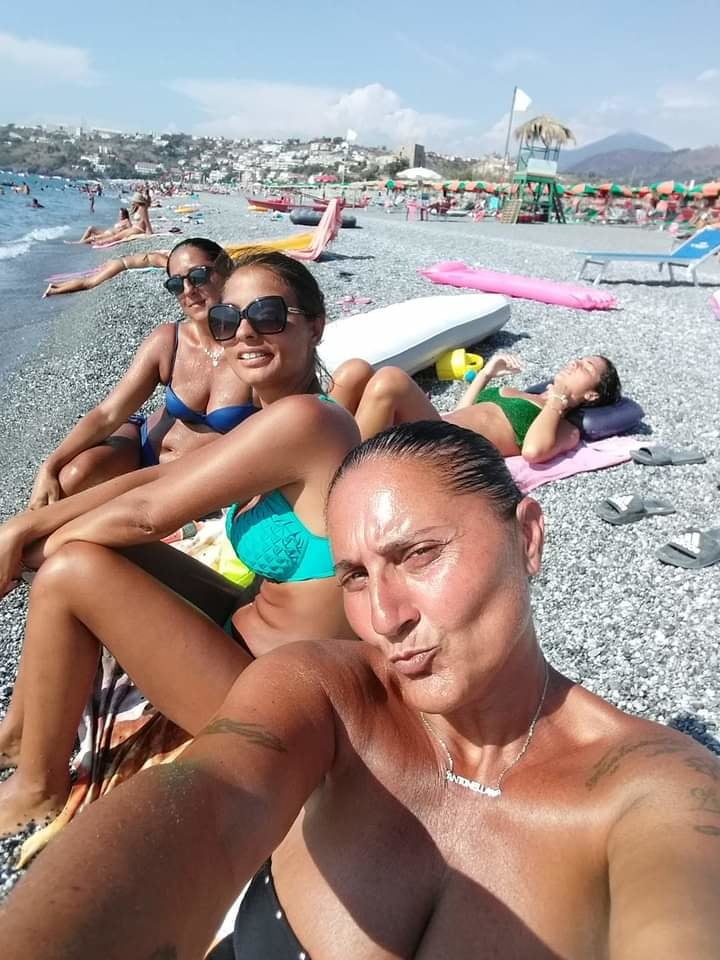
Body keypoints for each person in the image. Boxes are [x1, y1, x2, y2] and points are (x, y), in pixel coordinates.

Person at [1, 420, 718, 959]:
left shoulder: (652, 791)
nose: (384, 617)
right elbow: (209, 803)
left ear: (528, 536)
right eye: (354, 576)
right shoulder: (326, 694)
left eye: (419, 554)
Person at [0, 250, 360, 837]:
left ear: (315, 325)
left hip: (279, 702)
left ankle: (37, 790)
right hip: (247, 633)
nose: (244, 332)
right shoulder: (273, 418)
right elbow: (155, 480)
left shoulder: (310, 422)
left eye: (268, 315)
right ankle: (21, 733)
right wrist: (22, 528)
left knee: (70, 571)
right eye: (228, 319)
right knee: (90, 551)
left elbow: (146, 516)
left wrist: (44, 545)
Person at [30, 238, 255, 508]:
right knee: (72, 477)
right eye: (176, 284)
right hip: (141, 447)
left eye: (198, 276)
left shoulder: (254, 347)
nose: (188, 290)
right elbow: (108, 413)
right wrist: (50, 465)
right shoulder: (169, 341)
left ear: (226, 269)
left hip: (196, 481)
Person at [332, 352, 622, 463]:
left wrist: (558, 400)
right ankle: (319, 445)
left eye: (585, 367)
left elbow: (534, 452)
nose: (575, 362)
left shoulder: (566, 427)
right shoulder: (526, 393)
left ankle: (341, 474)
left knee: (390, 380)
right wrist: (486, 374)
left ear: (592, 395)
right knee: (355, 370)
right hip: (438, 425)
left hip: (447, 446)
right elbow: (462, 412)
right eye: (579, 359)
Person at [42, 248, 169, 298]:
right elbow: (170, 267)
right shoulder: (160, 258)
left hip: (118, 262)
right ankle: (53, 291)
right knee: (89, 283)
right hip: (119, 266)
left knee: (88, 279)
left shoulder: (158, 254)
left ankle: (56, 286)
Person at [69, 193, 153, 245]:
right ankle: (97, 242)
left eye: (134, 201)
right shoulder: (139, 208)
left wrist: (150, 232)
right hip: (134, 229)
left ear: (137, 201)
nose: (133, 203)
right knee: (116, 237)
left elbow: (146, 220)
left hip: (138, 229)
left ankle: (98, 242)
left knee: (116, 237)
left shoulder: (142, 208)